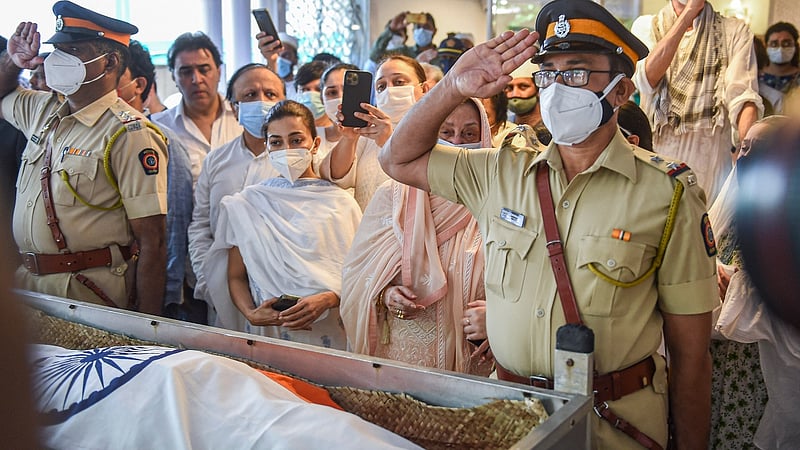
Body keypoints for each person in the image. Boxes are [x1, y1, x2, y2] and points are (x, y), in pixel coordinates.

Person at [379, 0, 718, 447]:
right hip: (510, 422)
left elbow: (691, 357)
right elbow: (397, 158)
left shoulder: (668, 193)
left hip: (615, 426)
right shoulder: (500, 172)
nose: (558, 87)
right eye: (548, 73)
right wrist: (452, 88)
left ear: (620, 90)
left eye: (576, 72)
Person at [0, 1, 168, 314]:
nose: (59, 58)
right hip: (30, 287)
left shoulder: (129, 134)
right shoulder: (43, 111)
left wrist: (146, 330)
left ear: (109, 63)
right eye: (59, 49)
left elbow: (153, 242)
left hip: (88, 293)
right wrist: (14, 62)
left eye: (75, 51)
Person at [340, 97, 493, 376]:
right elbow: (357, 274)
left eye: (469, 134)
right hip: (401, 362)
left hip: (475, 363)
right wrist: (385, 295)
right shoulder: (393, 195)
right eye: (445, 132)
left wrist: (500, 320)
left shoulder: (499, 199)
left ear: (484, 138)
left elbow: (530, 280)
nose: (457, 143)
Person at [205, 100, 361, 349]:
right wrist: (249, 312)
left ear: (315, 144)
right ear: (267, 148)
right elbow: (235, 276)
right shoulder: (248, 202)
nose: (287, 149)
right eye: (276, 142)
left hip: (329, 334)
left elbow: (359, 276)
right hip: (267, 333)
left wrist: (330, 298)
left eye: (296, 140)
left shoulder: (340, 202)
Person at [712, 116, 798, 449]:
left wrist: (739, 290)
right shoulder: (734, 210)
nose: (746, 156)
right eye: (743, 147)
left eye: (760, 148)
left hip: (759, 370)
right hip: (720, 356)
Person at [633, 0, 762, 205]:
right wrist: (689, 14)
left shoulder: (734, 31)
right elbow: (646, 80)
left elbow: (742, 96)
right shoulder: (647, 26)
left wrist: (751, 149)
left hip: (711, 164)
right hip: (657, 160)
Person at [188, 63, 283, 322]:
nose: (261, 101)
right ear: (233, 106)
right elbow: (200, 226)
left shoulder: (299, 161)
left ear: (284, 101)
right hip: (223, 298)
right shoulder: (216, 161)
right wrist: (210, 283)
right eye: (250, 95)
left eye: (271, 95)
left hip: (281, 298)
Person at [114, 40, 195, 319]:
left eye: (114, 76)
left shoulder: (161, 141)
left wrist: (164, 297)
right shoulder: (100, 138)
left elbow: (172, 230)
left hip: (145, 293)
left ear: (138, 85)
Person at [320, 55, 429, 210]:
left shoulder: (437, 132)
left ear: (424, 89)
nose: (389, 90)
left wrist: (388, 142)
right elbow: (334, 176)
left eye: (399, 82)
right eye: (381, 86)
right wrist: (349, 139)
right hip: (368, 229)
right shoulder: (368, 134)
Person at [151, 31, 242, 185]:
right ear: (174, 77)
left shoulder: (243, 119)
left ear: (219, 72)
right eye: (186, 72)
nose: (196, 79)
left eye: (204, 70)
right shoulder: (160, 128)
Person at [317, 62, 359, 172]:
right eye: (332, 92)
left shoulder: (371, 140)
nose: (340, 98)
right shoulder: (312, 137)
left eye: (348, 91)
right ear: (322, 99)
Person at [758, 22, 800, 114]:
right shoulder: (755, 77)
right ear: (766, 46)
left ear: (795, 46)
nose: (780, 48)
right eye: (774, 44)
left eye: (786, 43)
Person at [369, 12, 437, 66]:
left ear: (434, 31)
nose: (422, 30)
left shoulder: (443, 55)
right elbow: (375, 56)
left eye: (426, 26)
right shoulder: (403, 53)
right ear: (413, 31)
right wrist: (391, 30)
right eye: (418, 27)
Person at [505, 59, 541, 128]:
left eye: (523, 86)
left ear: (538, 90)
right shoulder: (504, 130)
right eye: (510, 88)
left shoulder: (551, 126)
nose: (515, 94)